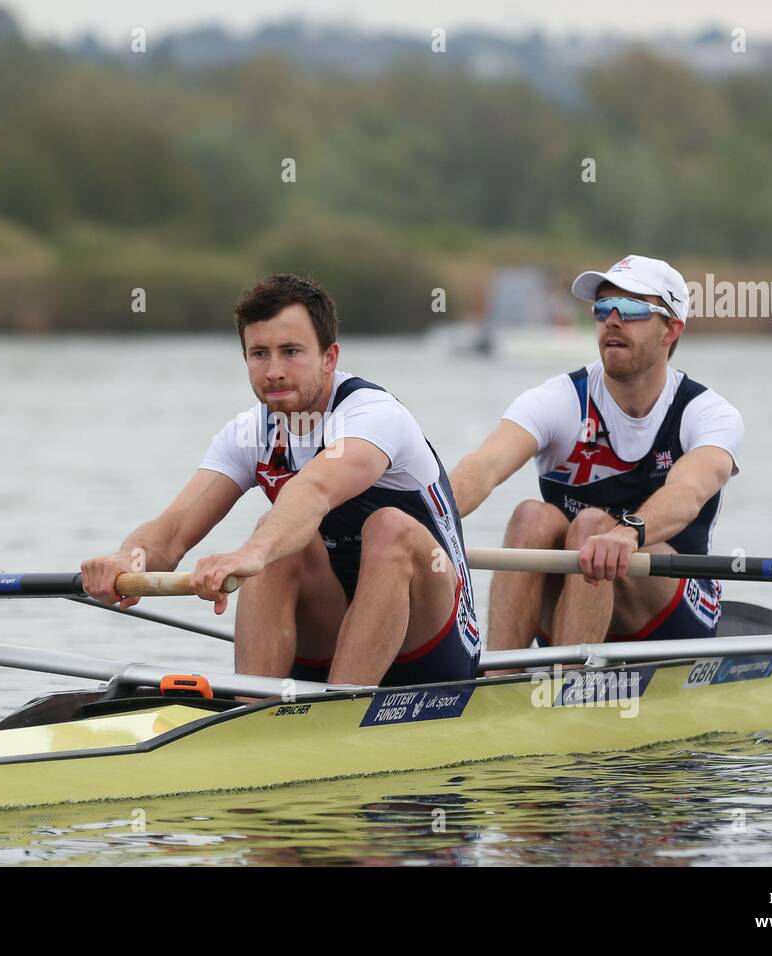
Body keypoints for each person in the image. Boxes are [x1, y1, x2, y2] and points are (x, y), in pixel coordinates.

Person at [82, 273, 480, 686]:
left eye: (291, 352)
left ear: (330, 357)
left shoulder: (373, 415)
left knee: (386, 527)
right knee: (286, 545)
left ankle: (337, 713)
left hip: (435, 645)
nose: (274, 371)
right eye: (259, 354)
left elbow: (316, 488)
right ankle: (254, 713)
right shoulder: (248, 434)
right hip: (334, 632)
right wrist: (128, 559)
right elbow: (172, 531)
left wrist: (253, 552)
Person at [449, 255, 742, 649]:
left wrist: (629, 533)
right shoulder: (559, 399)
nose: (612, 321)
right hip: (573, 603)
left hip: (674, 615)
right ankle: (498, 687)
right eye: (603, 309)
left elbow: (688, 493)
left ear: (671, 329)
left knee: (591, 526)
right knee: (529, 518)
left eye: (633, 309)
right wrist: (426, 517)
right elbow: (483, 468)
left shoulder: (706, 412)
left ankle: (572, 688)